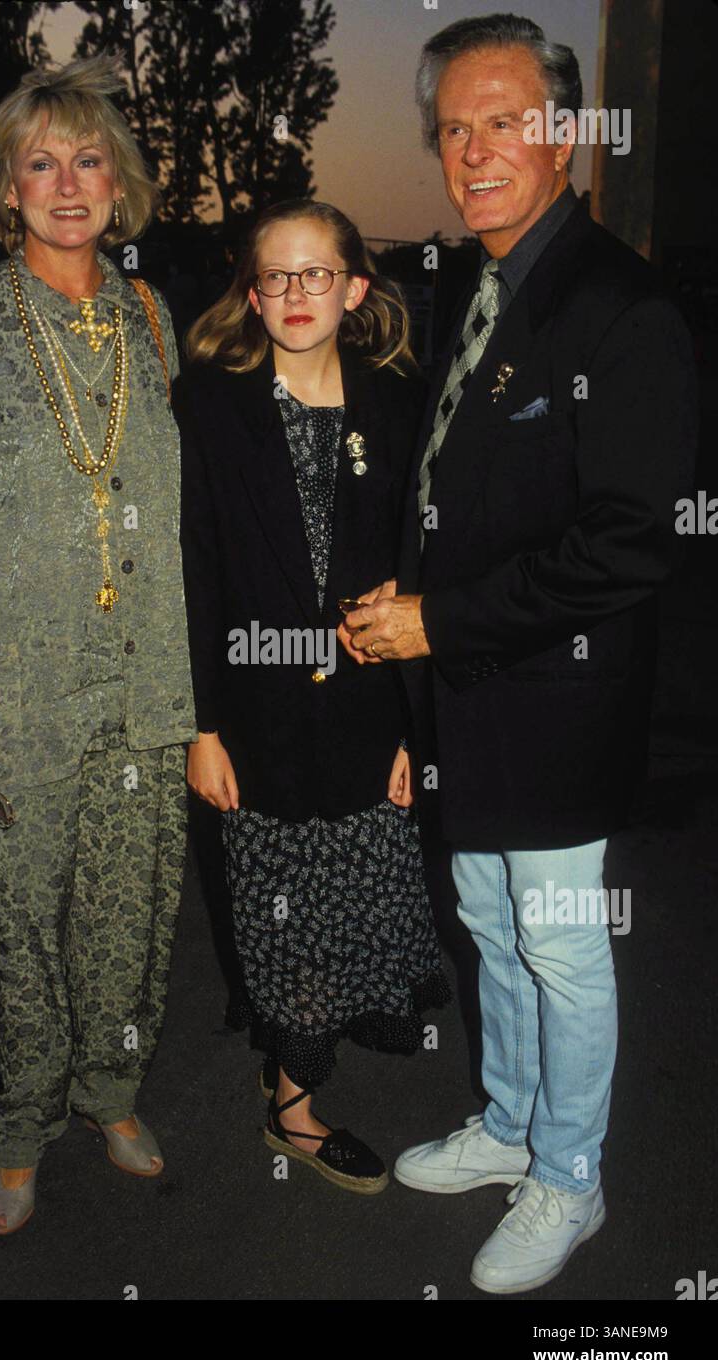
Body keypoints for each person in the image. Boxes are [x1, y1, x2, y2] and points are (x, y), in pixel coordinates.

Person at [339, 13, 697, 1287]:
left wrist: (441, 618)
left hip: (555, 699)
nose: (476, 150)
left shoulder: (618, 304)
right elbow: (470, 481)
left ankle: (571, 1179)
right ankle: (507, 1125)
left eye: (507, 121)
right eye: (454, 128)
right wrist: (417, 590)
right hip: (469, 694)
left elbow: (624, 545)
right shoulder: (475, 282)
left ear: (564, 132)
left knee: (557, 944)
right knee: (489, 928)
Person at [0, 56, 196, 1236]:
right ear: (7, 190)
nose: (68, 183)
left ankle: (111, 1091)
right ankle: (22, 1118)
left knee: (129, 906)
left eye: (89, 160)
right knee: (14, 914)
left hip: (145, 680)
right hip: (8, 681)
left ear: (118, 186)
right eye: (41, 163)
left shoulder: (151, 316)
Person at [174, 199, 450, 1195]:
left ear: (356, 290)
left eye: (317, 274)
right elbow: (197, 572)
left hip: (364, 715)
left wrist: (404, 731)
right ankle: (293, 1112)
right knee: (285, 919)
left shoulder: (396, 397)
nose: (296, 294)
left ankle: (291, 1086)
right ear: (252, 295)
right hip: (254, 719)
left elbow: (409, 568)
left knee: (351, 910)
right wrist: (202, 727)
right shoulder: (208, 403)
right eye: (276, 277)